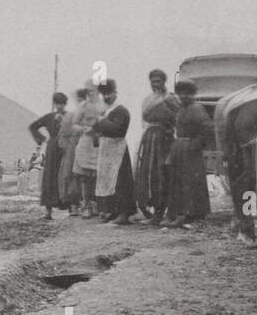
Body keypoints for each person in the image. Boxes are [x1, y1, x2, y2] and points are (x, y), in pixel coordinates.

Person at [161, 79, 210, 228]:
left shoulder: (197, 109)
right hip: (179, 146)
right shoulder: (181, 110)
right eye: (180, 93)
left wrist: (195, 145)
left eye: (187, 94)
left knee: (190, 181)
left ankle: (190, 215)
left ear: (193, 94)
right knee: (178, 181)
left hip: (191, 148)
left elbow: (206, 130)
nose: (183, 96)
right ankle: (178, 213)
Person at [136, 69, 181, 225]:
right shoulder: (148, 100)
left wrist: (170, 130)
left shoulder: (171, 98)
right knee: (151, 175)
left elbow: (178, 117)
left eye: (158, 81)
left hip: (165, 139)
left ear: (164, 82)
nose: (155, 84)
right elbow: (144, 120)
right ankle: (156, 213)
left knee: (164, 174)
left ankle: (169, 214)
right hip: (150, 140)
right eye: (153, 81)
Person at [90, 78, 136, 224]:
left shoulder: (120, 110)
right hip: (106, 151)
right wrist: (95, 135)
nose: (106, 97)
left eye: (109, 93)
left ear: (115, 93)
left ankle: (124, 213)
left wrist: (100, 123)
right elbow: (96, 131)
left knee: (121, 180)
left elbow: (117, 129)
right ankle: (113, 211)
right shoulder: (105, 112)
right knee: (108, 181)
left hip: (118, 151)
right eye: (104, 94)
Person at [29, 92, 69, 219]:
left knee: (65, 176)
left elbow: (74, 130)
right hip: (52, 149)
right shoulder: (48, 117)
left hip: (66, 148)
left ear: (65, 104)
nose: (59, 106)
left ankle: (71, 210)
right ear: (54, 104)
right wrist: (41, 139)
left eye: (62, 103)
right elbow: (33, 127)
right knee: (49, 177)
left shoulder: (69, 116)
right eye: (57, 103)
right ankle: (48, 211)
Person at [71, 82, 102, 218]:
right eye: (88, 91)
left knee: (97, 175)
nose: (91, 93)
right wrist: (84, 129)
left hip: (100, 141)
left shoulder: (103, 105)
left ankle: (97, 205)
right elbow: (74, 125)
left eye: (93, 90)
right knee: (84, 176)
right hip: (86, 142)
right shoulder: (82, 106)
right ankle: (86, 205)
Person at [58, 87, 87, 212]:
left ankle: (88, 204)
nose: (81, 102)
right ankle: (73, 205)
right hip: (73, 149)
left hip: (88, 148)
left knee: (88, 176)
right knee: (71, 176)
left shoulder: (91, 116)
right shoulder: (70, 116)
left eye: (83, 100)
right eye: (79, 100)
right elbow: (62, 136)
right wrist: (68, 148)